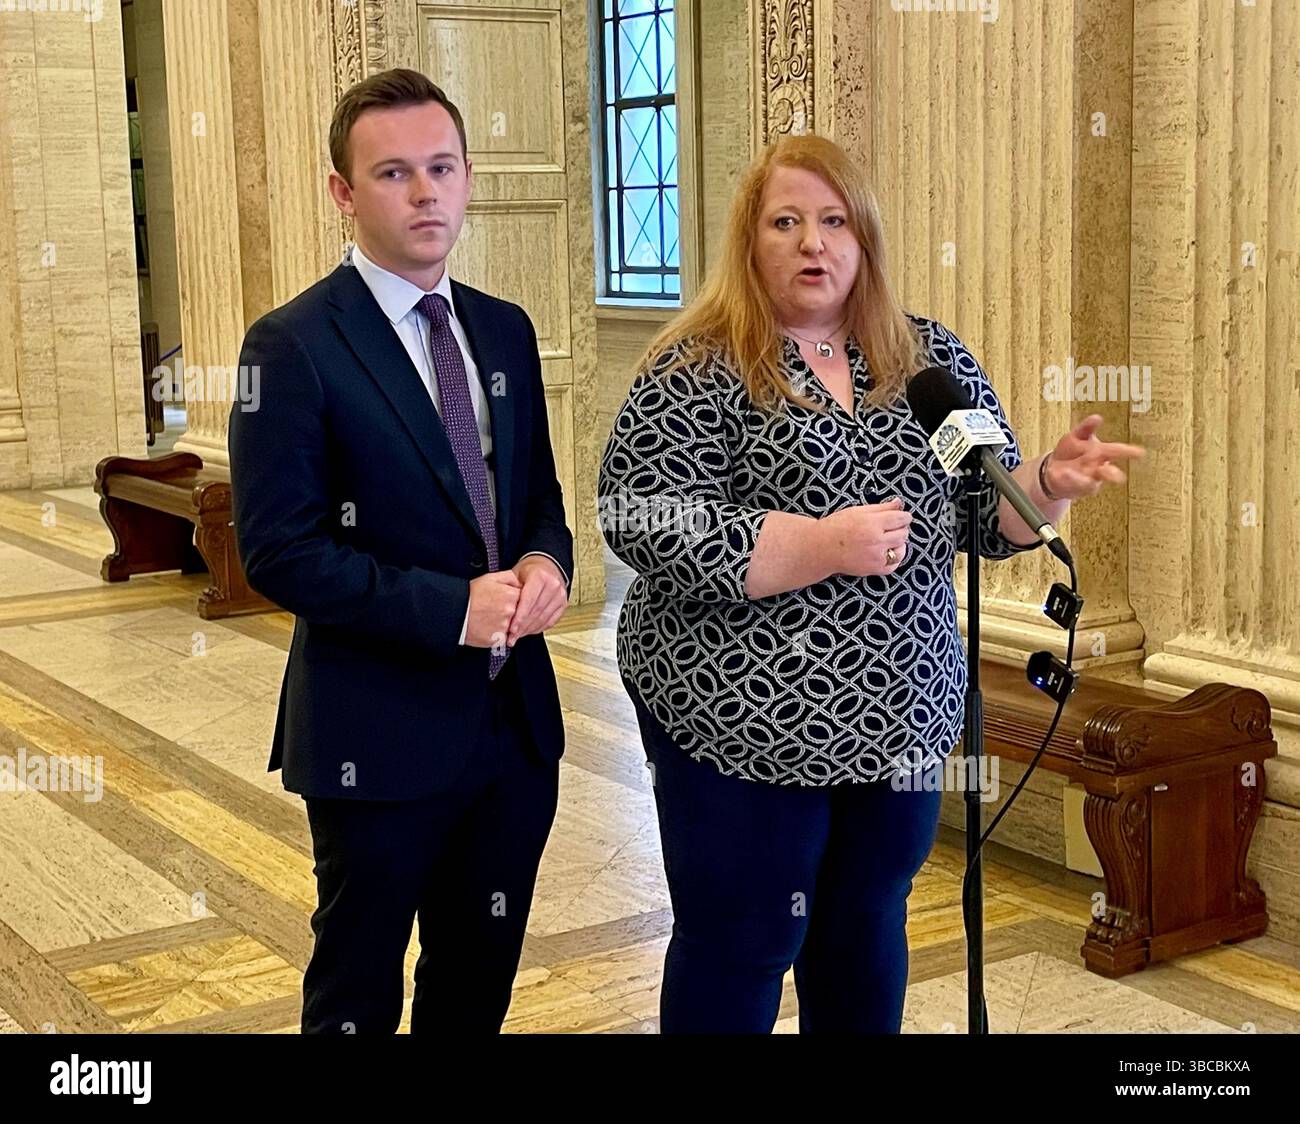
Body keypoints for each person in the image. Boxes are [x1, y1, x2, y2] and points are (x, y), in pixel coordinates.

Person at [598, 134, 1142, 1034]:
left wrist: (1044, 480)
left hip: (897, 723)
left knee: (861, 932)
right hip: (738, 725)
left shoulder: (925, 362)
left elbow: (982, 511)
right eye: (787, 222)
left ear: (865, 240)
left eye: (834, 221)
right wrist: (818, 544)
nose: (814, 243)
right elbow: (643, 519)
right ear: (749, 240)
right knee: (743, 942)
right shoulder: (695, 369)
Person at [229, 68, 572, 1034]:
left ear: (466, 176)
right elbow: (280, 551)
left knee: (476, 980)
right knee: (358, 986)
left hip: (513, 732)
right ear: (343, 191)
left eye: (442, 167)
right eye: (392, 173)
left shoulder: (503, 331)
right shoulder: (291, 346)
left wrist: (548, 566)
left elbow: (536, 498)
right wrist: (452, 608)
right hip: (373, 737)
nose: (425, 194)